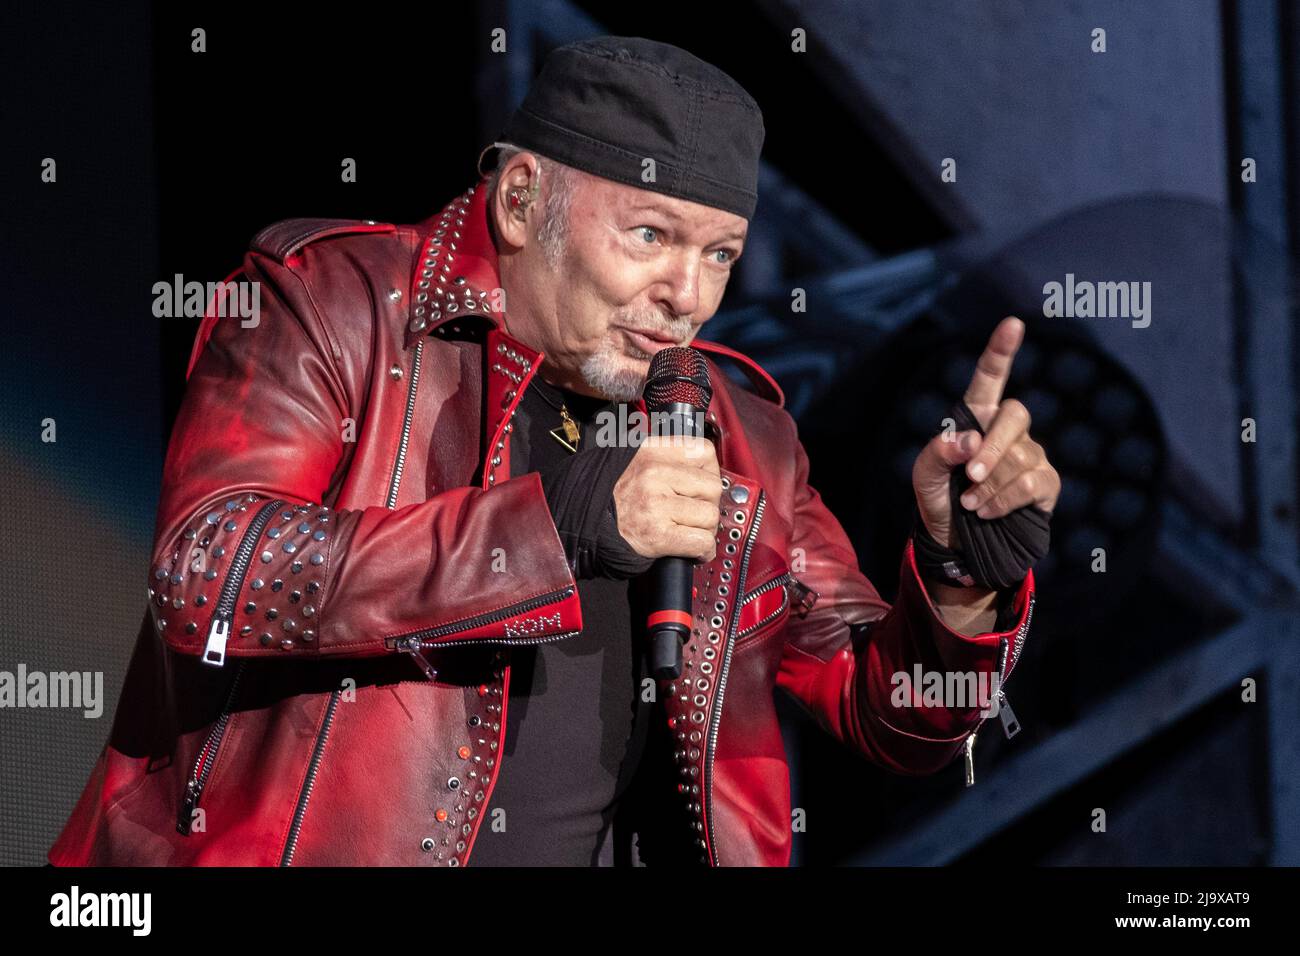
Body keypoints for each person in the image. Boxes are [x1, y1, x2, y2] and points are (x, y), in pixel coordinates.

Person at [49, 35, 1058, 867]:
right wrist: (553, 527)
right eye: (652, 235)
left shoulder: (742, 431)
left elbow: (888, 717)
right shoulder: (337, 302)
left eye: (718, 255)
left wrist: (964, 571)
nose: (689, 295)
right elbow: (207, 572)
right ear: (523, 199)